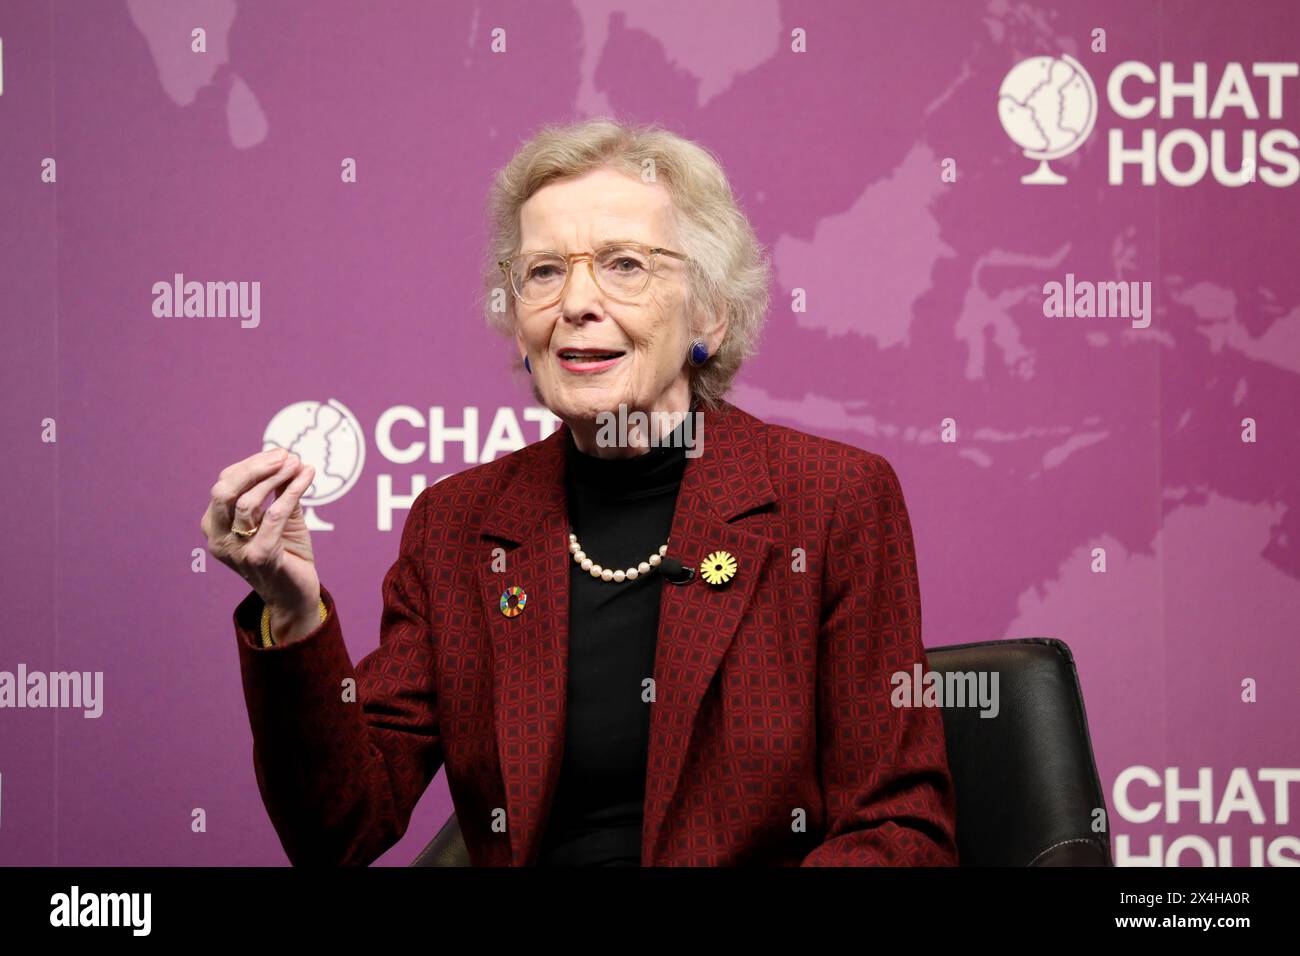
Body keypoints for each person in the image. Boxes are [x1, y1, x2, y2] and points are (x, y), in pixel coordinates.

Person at [200, 117, 959, 867]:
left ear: (710, 314)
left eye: (625, 264)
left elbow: (900, 830)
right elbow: (339, 827)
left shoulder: (831, 500)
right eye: (543, 271)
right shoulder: (456, 524)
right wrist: (293, 614)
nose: (575, 302)